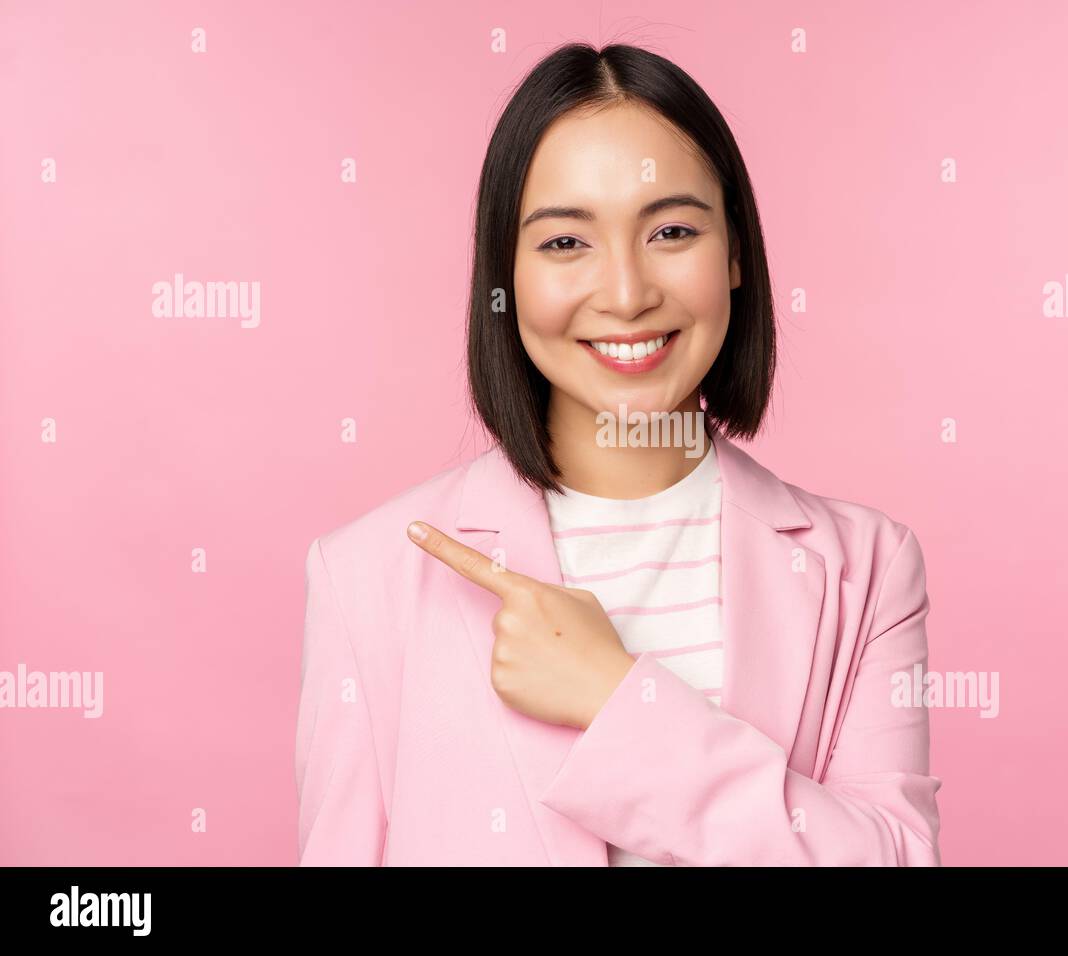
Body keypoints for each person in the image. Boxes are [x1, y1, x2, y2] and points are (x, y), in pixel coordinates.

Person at [295, 41, 942, 866]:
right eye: (566, 243)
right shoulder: (366, 578)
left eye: (671, 230)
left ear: (736, 254)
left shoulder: (870, 568)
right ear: (507, 276)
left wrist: (616, 701)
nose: (629, 294)